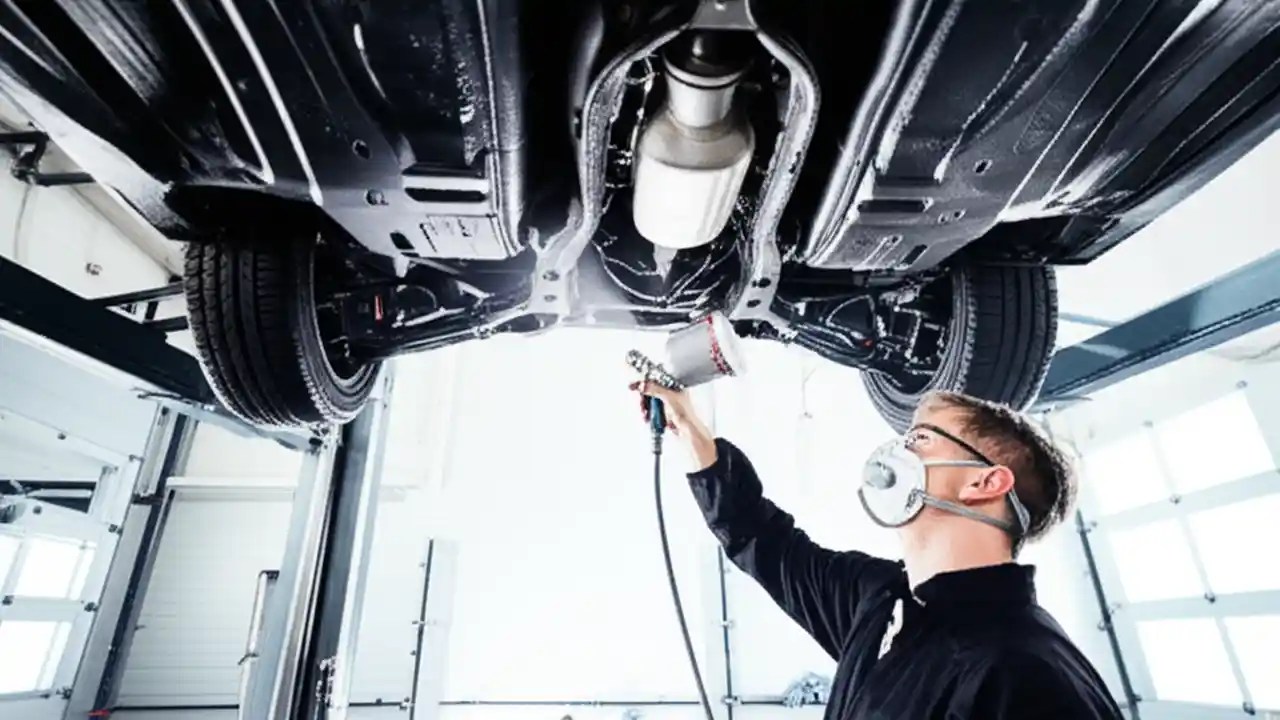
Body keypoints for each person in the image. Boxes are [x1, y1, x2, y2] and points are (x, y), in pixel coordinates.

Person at [631, 381, 1124, 720]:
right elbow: (763, 540)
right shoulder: (882, 600)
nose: (897, 453)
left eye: (920, 440)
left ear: (985, 482)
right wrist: (692, 431)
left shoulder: (1029, 673)